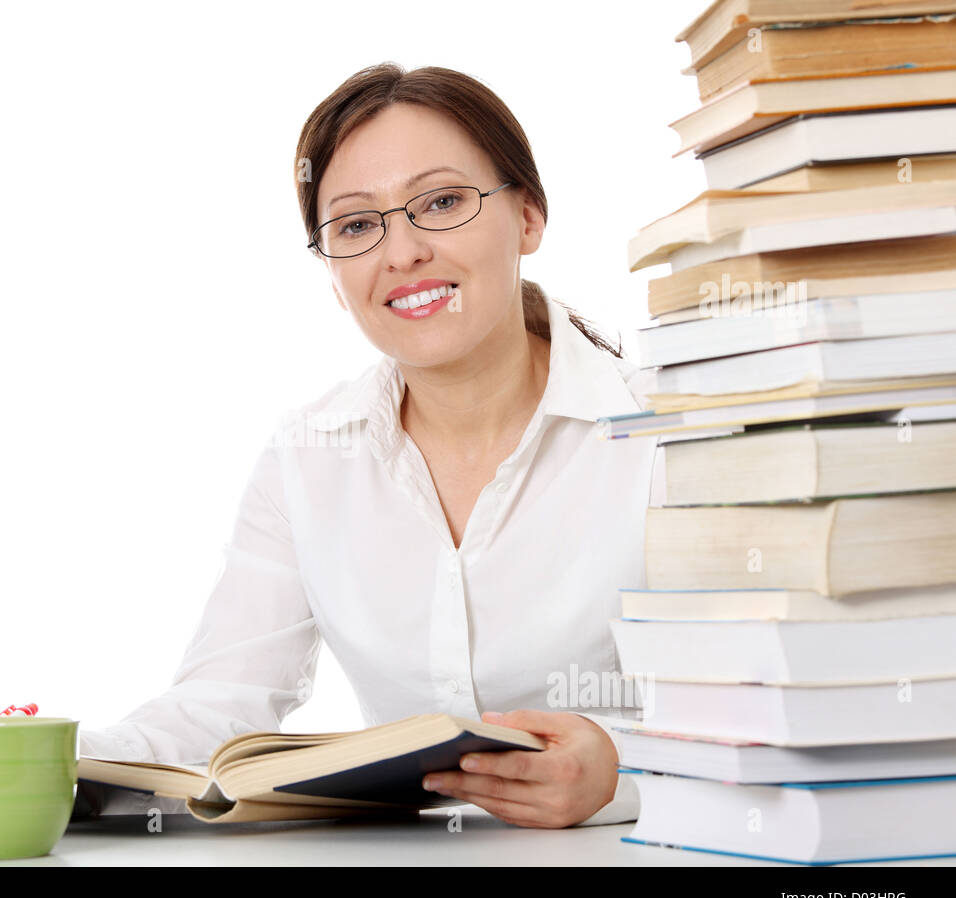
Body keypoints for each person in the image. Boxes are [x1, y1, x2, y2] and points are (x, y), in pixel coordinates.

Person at [73, 62, 660, 828]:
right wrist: (66, 758)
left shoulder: (673, 432)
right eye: (356, 225)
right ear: (331, 271)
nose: (402, 252)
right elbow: (220, 703)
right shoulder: (307, 458)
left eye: (442, 202)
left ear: (528, 217)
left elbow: (787, 716)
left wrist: (622, 768)